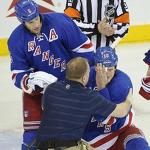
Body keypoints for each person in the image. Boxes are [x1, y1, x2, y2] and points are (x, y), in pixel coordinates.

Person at [7, 0, 96, 149]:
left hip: (70, 86)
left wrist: (77, 81)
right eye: (30, 22)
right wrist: (30, 81)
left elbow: (85, 51)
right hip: (39, 92)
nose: (35, 24)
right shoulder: (16, 40)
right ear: (21, 21)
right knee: (32, 137)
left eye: (36, 18)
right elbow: (17, 74)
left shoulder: (61, 22)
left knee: (80, 132)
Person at [34, 57, 133, 150]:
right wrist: (129, 99)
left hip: (40, 146)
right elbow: (122, 111)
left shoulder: (51, 88)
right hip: (68, 147)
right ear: (84, 77)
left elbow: (45, 107)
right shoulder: (89, 97)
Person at [82, 46, 150, 150]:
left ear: (116, 67)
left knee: (139, 146)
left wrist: (101, 88)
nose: (107, 74)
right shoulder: (84, 78)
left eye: (110, 69)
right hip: (89, 142)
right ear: (96, 66)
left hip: (120, 132)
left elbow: (106, 118)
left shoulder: (122, 83)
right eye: (103, 69)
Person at [64, 0, 130, 50]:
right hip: (80, 53)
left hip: (107, 55)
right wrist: (96, 28)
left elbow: (125, 26)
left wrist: (111, 29)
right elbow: (69, 25)